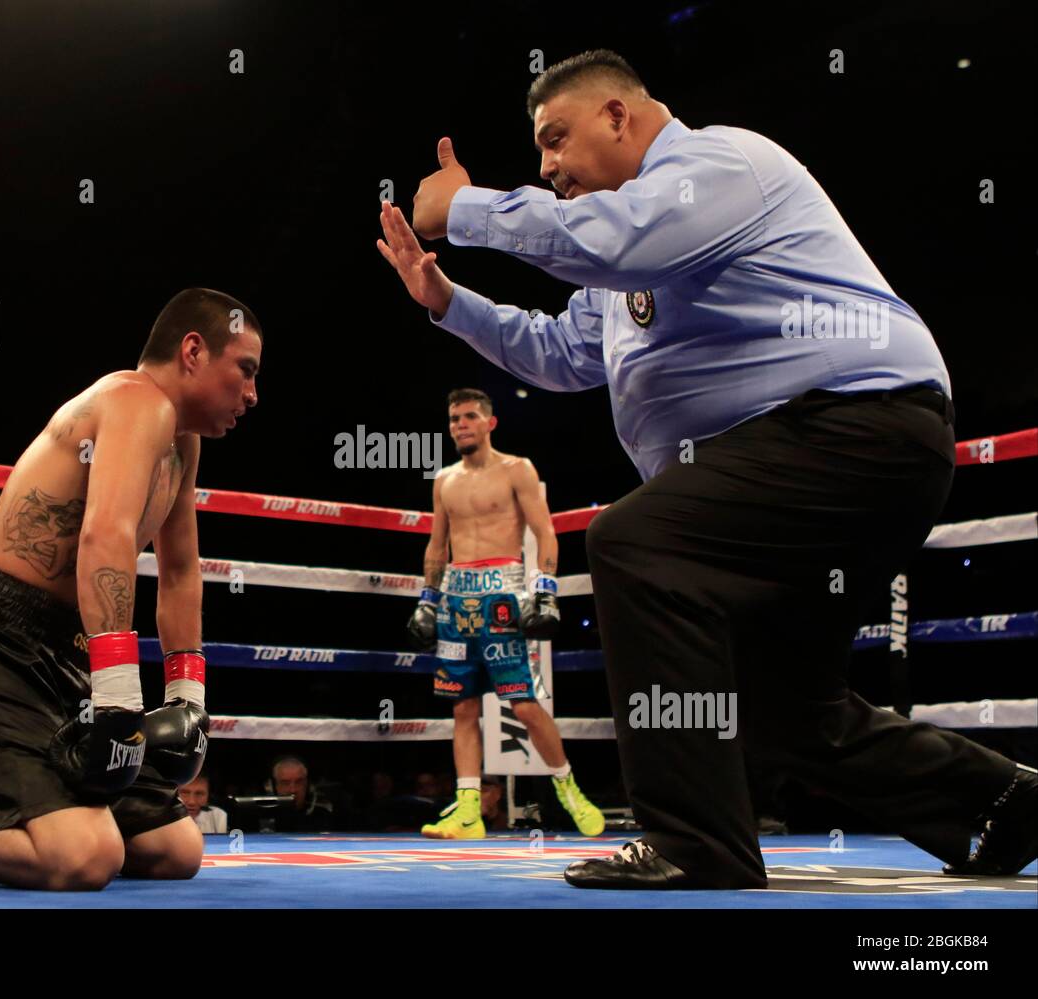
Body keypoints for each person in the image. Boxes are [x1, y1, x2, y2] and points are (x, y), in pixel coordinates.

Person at [379, 49, 1036, 887]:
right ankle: (1000, 803)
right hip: (815, 456)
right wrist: (446, 301)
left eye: (556, 139)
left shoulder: (715, 165)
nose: (544, 168)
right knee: (784, 707)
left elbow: (605, 243)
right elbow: (559, 350)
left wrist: (463, 209)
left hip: (856, 426)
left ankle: (696, 841)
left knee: (634, 542)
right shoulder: (626, 262)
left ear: (618, 115)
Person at [0, 287, 261, 890]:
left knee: (176, 849)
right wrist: (121, 700)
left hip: (69, 653)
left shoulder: (183, 441)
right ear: (192, 351)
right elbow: (105, 537)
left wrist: (189, 704)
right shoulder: (135, 399)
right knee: (85, 859)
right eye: (245, 370)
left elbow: (180, 573)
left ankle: (5, 797)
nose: (252, 394)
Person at [406, 388, 603, 840]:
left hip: (504, 597)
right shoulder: (444, 480)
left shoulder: (518, 469)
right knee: (462, 707)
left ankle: (569, 790)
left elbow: (544, 532)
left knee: (524, 703)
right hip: (457, 599)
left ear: (490, 423)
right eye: (454, 418)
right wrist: (427, 600)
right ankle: (469, 811)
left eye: (470, 417)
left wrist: (547, 592)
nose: (460, 425)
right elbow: (437, 546)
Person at [269, 756, 342, 832]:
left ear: (307, 785)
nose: (292, 790)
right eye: (285, 783)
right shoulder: (262, 816)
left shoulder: (325, 817)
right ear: (273, 787)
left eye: (299, 782)